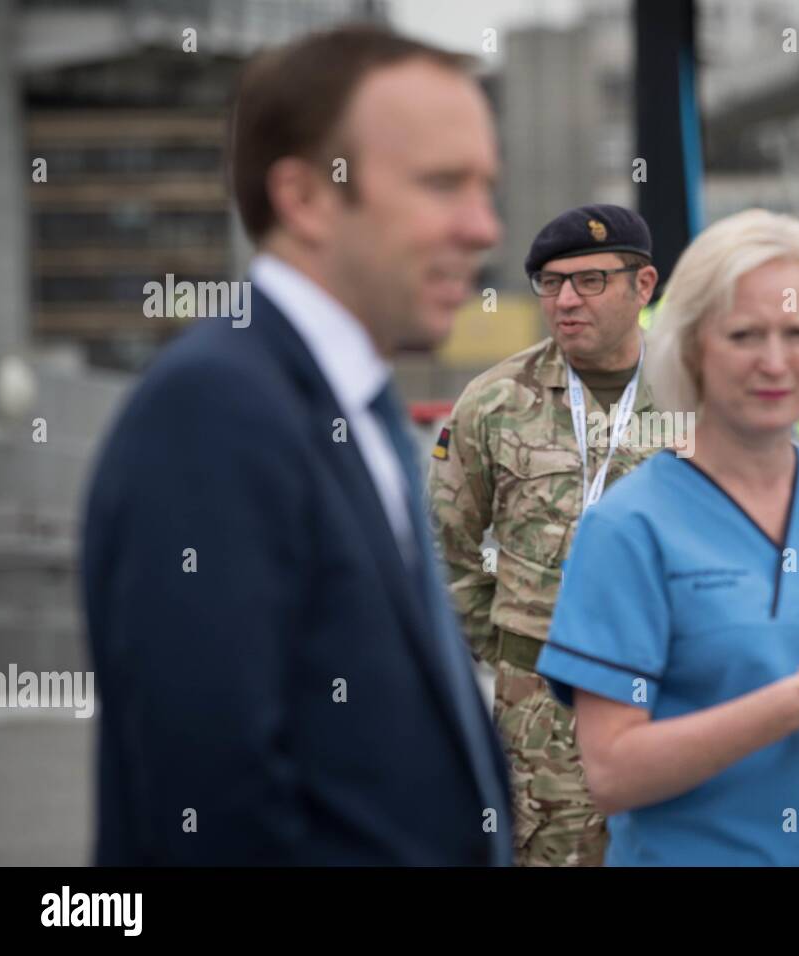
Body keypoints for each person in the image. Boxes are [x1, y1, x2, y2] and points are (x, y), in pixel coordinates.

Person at [82, 25, 511, 865]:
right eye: (442, 184)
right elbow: (210, 809)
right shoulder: (212, 413)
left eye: (486, 188)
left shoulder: (348, 408)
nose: (482, 227)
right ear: (307, 198)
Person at [535, 209, 799, 865]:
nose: (775, 361)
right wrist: (795, 702)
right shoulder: (629, 526)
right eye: (744, 335)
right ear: (692, 348)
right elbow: (613, 774)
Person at [428, 204, 660, 866]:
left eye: (590, 281)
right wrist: (510, 648)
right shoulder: (494, 402)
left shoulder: (697, 396)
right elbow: (444, 548)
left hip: (670, 695)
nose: (566, 300)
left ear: (643, 285)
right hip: (539, 719)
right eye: (550, 283)